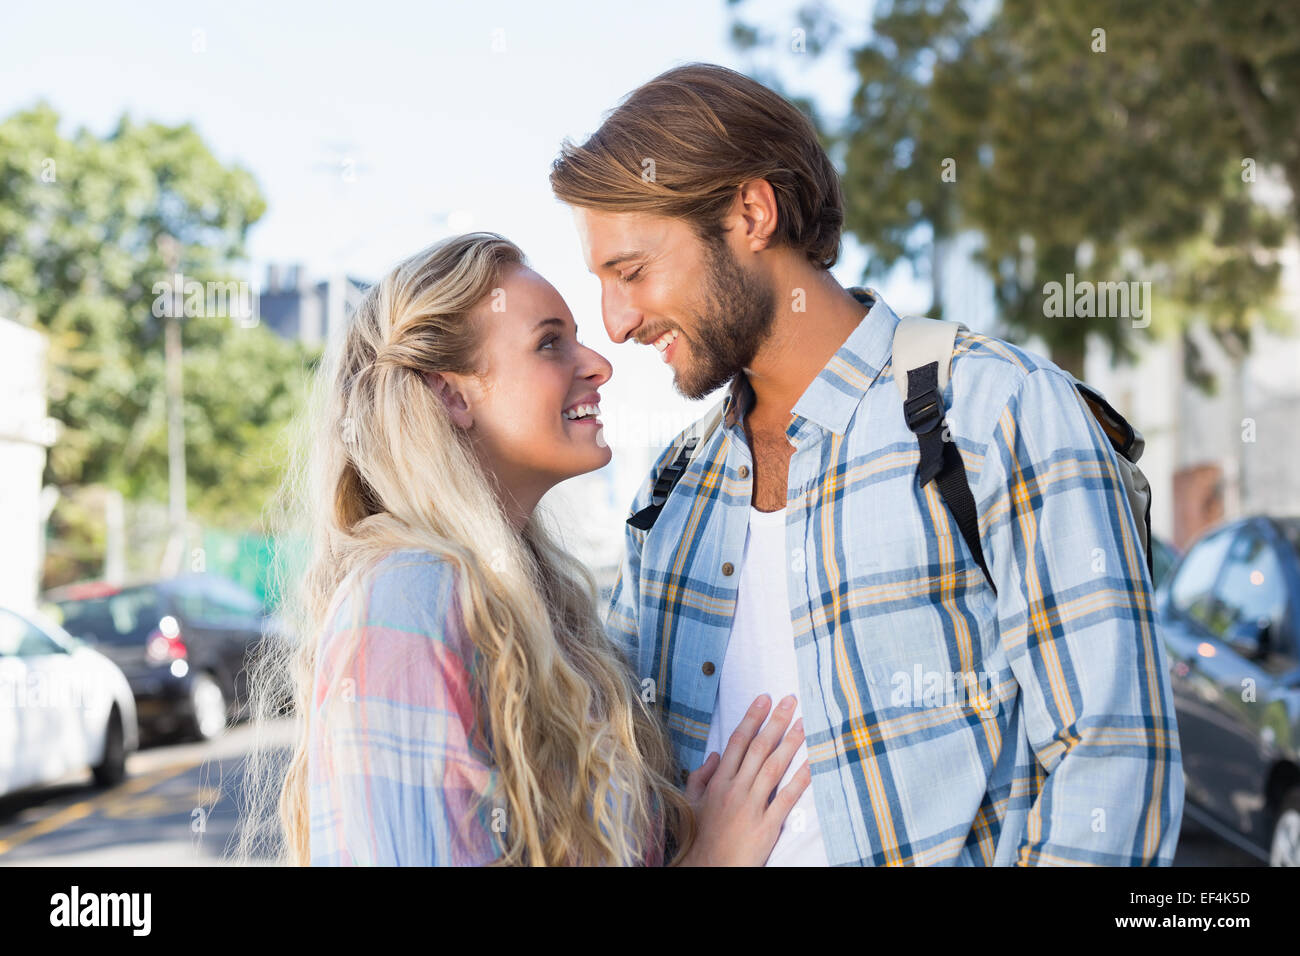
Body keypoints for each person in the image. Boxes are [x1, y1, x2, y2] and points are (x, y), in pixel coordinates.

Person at [550, 63, 1185, 866]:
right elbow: (624, 788)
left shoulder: (994, 410)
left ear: (752, 213)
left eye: (632, 272)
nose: (615, 323)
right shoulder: (670, 493)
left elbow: (1112, 759)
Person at [256, 232, 810, 866]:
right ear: (450, 394)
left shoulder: (526, 601)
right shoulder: (408, 595)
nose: (598, 364)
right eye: (550, 343)